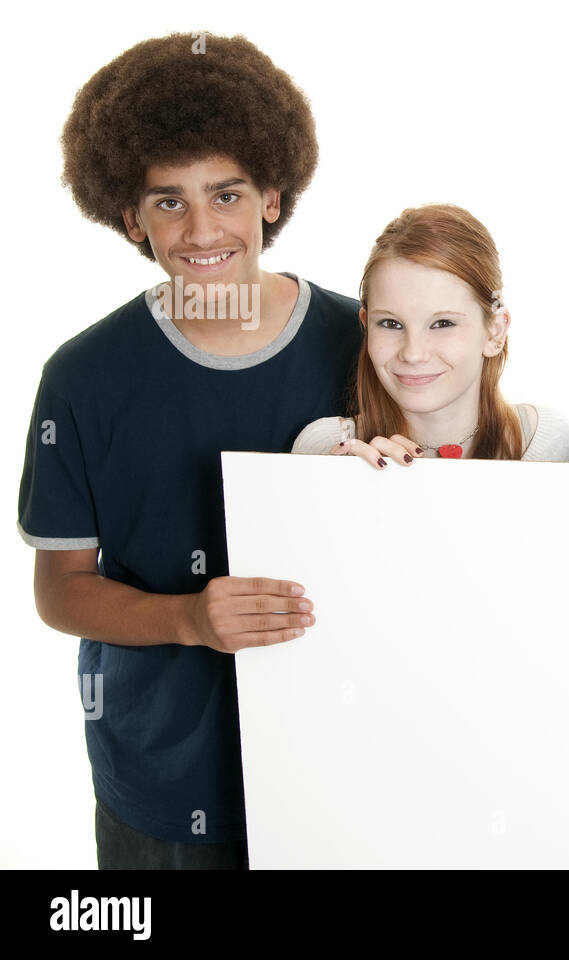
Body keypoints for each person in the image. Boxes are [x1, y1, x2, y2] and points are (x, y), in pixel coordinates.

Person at [18, 33, 363, 869]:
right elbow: (60, 591)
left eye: (227, 193)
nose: (202, 229)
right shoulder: (83, 378)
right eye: (168, 201)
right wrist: (188, 619)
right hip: (163, 785)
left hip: (344, 768)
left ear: (272, 196)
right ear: (130, 216)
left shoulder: (363, 344)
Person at [293, 204, 569, 464]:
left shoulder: (544, 442)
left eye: (442, 324)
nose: (413, 353)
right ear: (366, 326)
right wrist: (336, 487)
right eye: (391, 324)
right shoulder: (323, 446)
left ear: (495, 332)